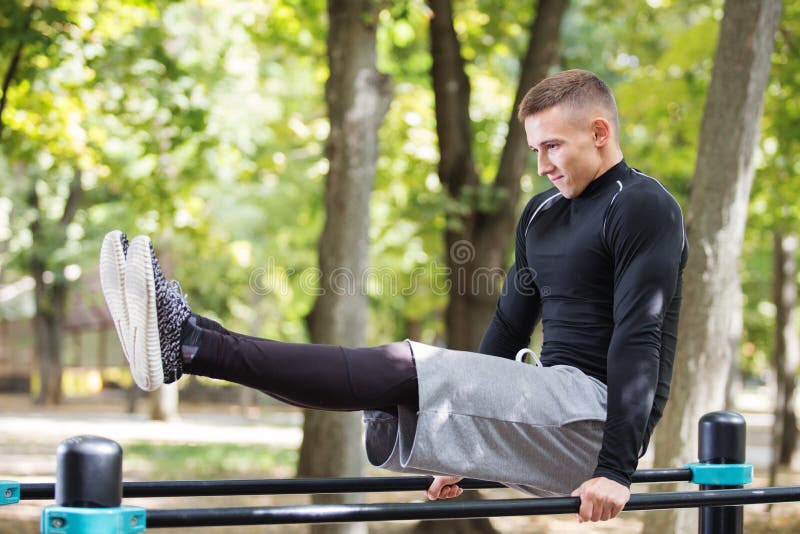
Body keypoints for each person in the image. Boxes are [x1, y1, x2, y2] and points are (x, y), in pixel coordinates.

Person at [100, 69, 687, 524]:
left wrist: (616, 470)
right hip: (547, 404)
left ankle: (192, 344)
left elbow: (641, 338)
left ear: (600, 132)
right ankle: (190, 338)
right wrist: (464, 454)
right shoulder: (540, 214)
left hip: (598, 420)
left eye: (552, 147)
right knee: (392, 397)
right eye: (534, 149)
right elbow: (508, 330)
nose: (540, 165)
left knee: (401, 365)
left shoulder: (642, 205)